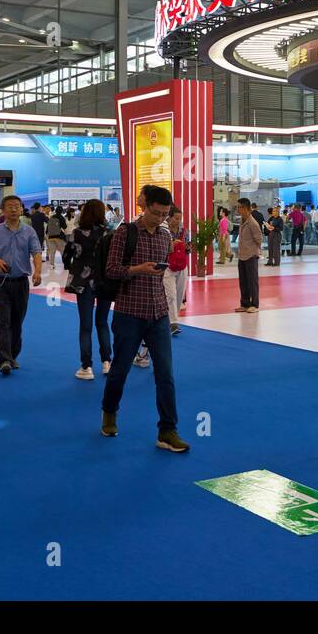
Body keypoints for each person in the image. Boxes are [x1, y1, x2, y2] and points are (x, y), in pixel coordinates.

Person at [99, 184, 188, 453]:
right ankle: (110, 412)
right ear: (144, 205)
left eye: (165, 214)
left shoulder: (164, 236)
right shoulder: (125, 233)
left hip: (158, 313)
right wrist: (138, 269)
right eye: (156, 213)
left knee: (165, 374)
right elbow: (112, 270)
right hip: (129, 313)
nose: (161, 219)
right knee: (120, 369)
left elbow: (166, 270)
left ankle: (167, 430)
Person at [0, 195, 43, 374]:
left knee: (17, 322)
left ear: (22, 209)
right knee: (3, 321)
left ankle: (13, 355)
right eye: (10, 206)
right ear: (3, 210)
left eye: (17, 206)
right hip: (1, 283)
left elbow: (36, 252)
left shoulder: (29, 231)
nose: (14, 209)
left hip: (21, 282)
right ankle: (4, 360)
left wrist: (38, 270)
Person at [64, 198, 113, 380]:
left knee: (85, 325)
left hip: (82, 282)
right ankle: (107, 362)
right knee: (103, 322)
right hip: (105, 281)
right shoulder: (109, 233)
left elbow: (67, 256)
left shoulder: (76, 233)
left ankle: (86, 367)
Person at [164, 205, 189, 335]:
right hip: (167, 265)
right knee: (171, 294)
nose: (178, 221)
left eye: (180, 218)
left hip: (181, 264)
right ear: (170, 217)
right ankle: (172, 323)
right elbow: (161, 247)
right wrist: (171, 245)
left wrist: (186, 246)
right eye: (176, 218)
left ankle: (173, 319)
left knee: (179, 294)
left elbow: (189, 247)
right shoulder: (163, 229)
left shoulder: (184, 231)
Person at [234, 198, 262, 313]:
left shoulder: (252, 223)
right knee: (243, 281)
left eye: (239, 207)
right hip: (242, 256)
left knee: (252, 281)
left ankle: (254, 304)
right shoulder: (242, 221)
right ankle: (245, 304)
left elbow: (259, 239)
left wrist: (252, 250)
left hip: (251, 256)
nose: (238, 209)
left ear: (245, 208)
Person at [45, 206, 67, 270]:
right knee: (62, 251)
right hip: (58, 236)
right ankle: (65, 264)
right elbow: (64, 227)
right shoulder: (61, 217)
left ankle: (52, 265)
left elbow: (47, 228)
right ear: (61, 211)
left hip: (50, 236)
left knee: (52, 251)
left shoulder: (51, 217)